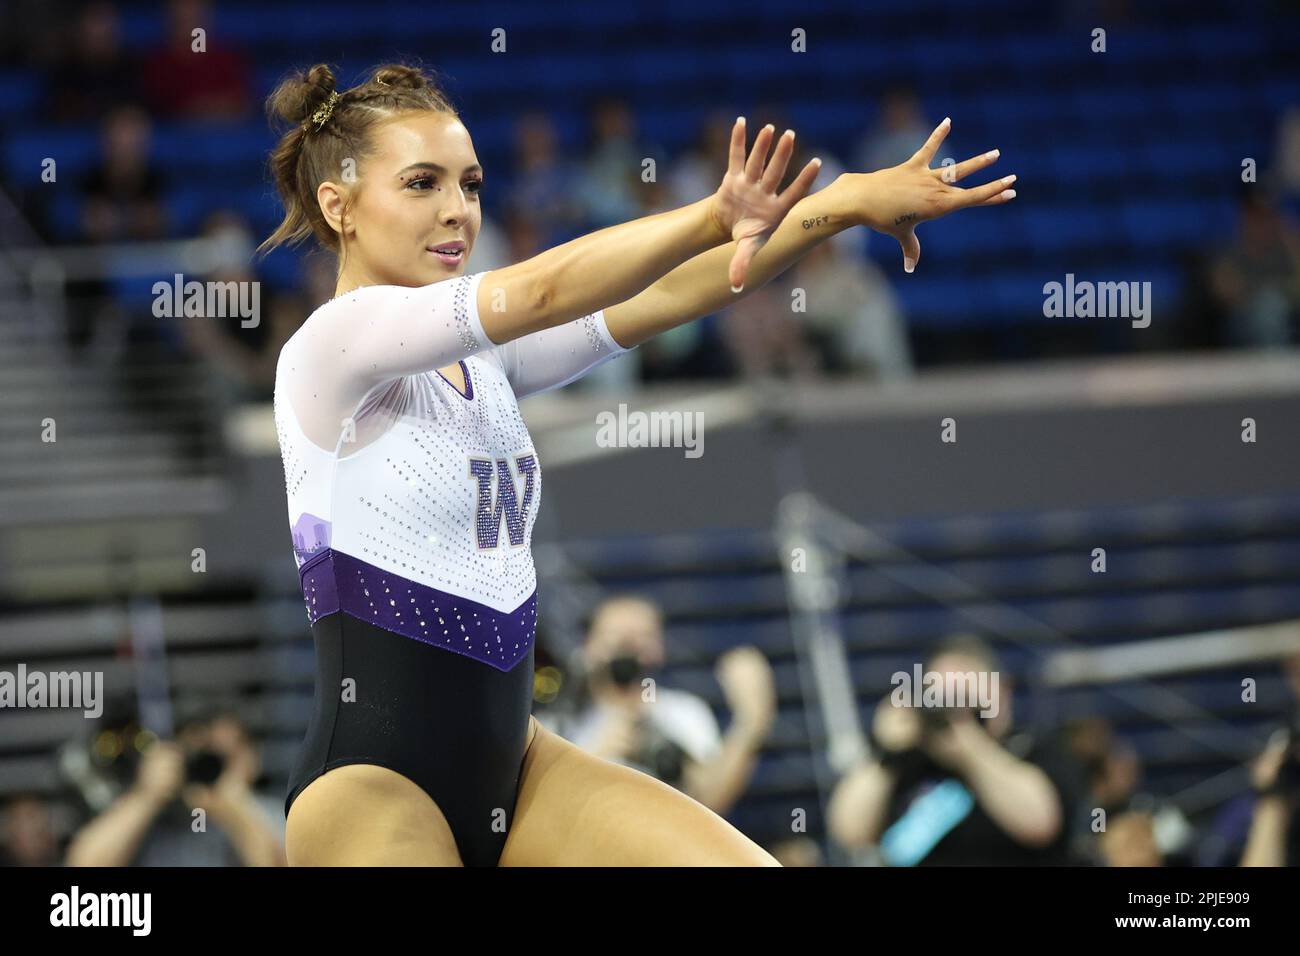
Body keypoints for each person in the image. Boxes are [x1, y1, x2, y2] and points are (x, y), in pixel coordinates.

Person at [265, 61, 1016, 866]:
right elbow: (548, 290)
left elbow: (672, 294)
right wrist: (713, 213)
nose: (457, 211)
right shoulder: (332, 348)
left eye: (471, 184)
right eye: (421, 184)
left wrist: (841, 204)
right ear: (337, 205)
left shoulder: (485, 364)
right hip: (375, 790)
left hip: (518, 769)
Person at [827, 634, 1082, 865]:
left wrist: (970, 747)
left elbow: (1039, 824)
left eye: (965, 695)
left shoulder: (1034, 749)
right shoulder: (912, 764)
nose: (954, 710)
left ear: (1002, 691)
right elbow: (850, 832)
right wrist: (885, 753)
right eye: (942, 697)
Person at [552, 594, 776, 817]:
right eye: (617, 637)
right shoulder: (561, 721)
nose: (630, 648)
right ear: (589, 647)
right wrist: (597, 755)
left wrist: (750, 720)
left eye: (644, 636)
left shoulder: (684, 712)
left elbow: (708, 798)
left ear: (659, 648)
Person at [65, 707, 285, 867]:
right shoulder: (144, 812)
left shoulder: (267, 813)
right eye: (202, 755)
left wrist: (233, 808)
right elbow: (84, 864)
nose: (208, 768)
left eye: (221, 759)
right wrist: (148, 795)